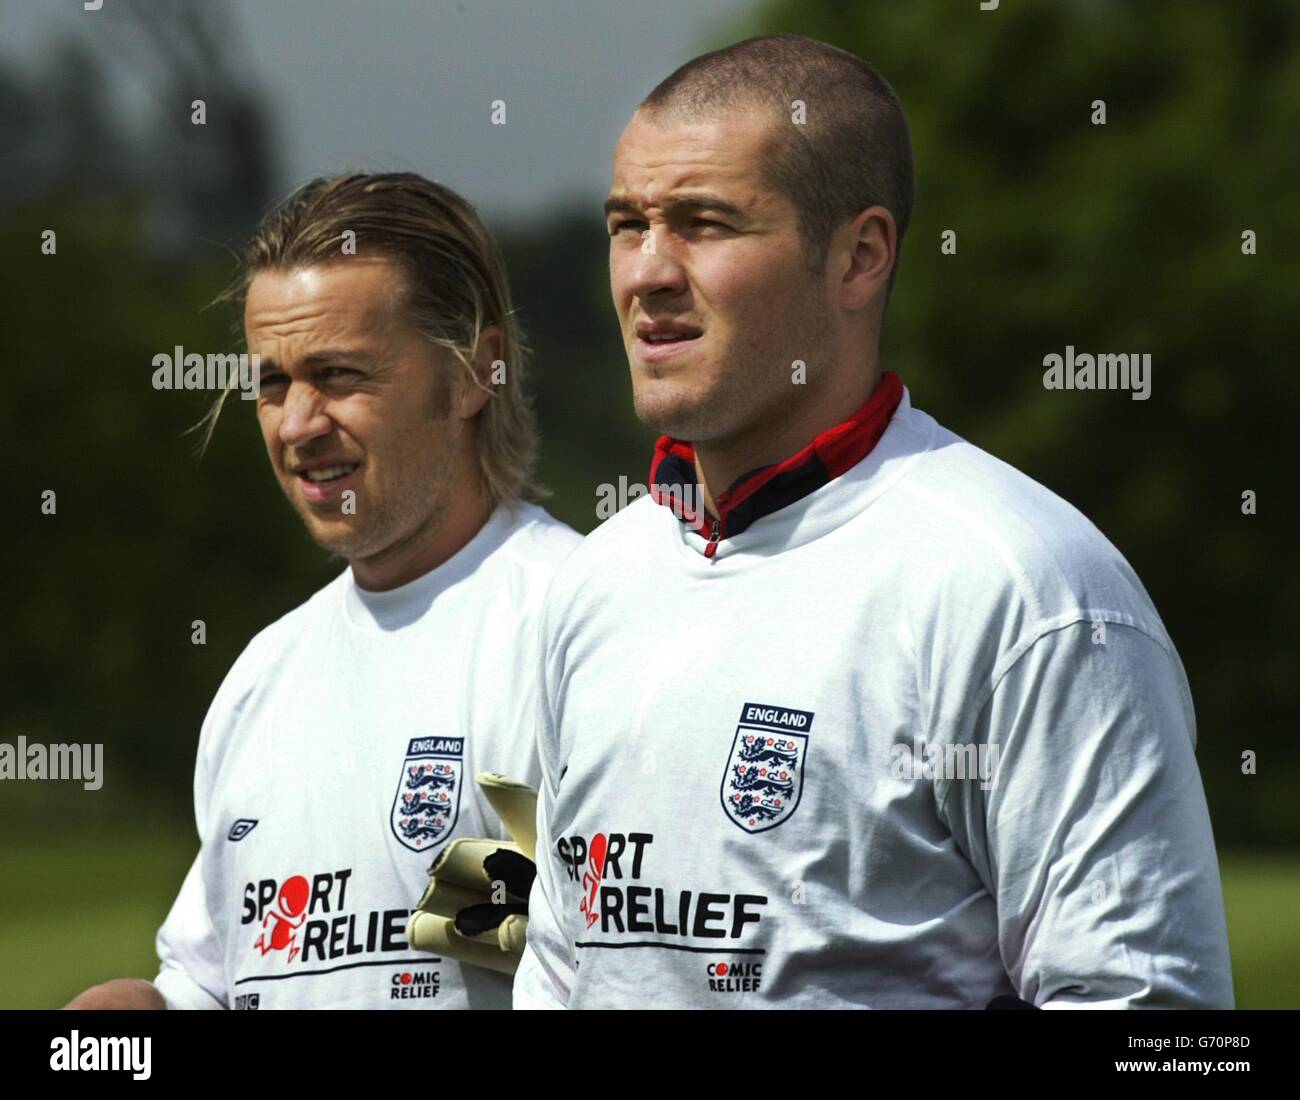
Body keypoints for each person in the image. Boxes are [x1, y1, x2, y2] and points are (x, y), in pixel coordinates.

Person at [515, 35, 1234, 1008]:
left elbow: (1159, 1021)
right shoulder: (595, 581)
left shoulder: (1028, 588)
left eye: (703, 224)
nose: (646, 273)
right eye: (626, 224)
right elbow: (563, 975)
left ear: (859, 257)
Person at [65, 172, 579, 1009]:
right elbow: (211, 979)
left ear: (473, 373)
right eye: (272, 384)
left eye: (338, 374)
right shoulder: (263, 677)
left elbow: (586, 961)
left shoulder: (571, 628)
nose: (297, 424)